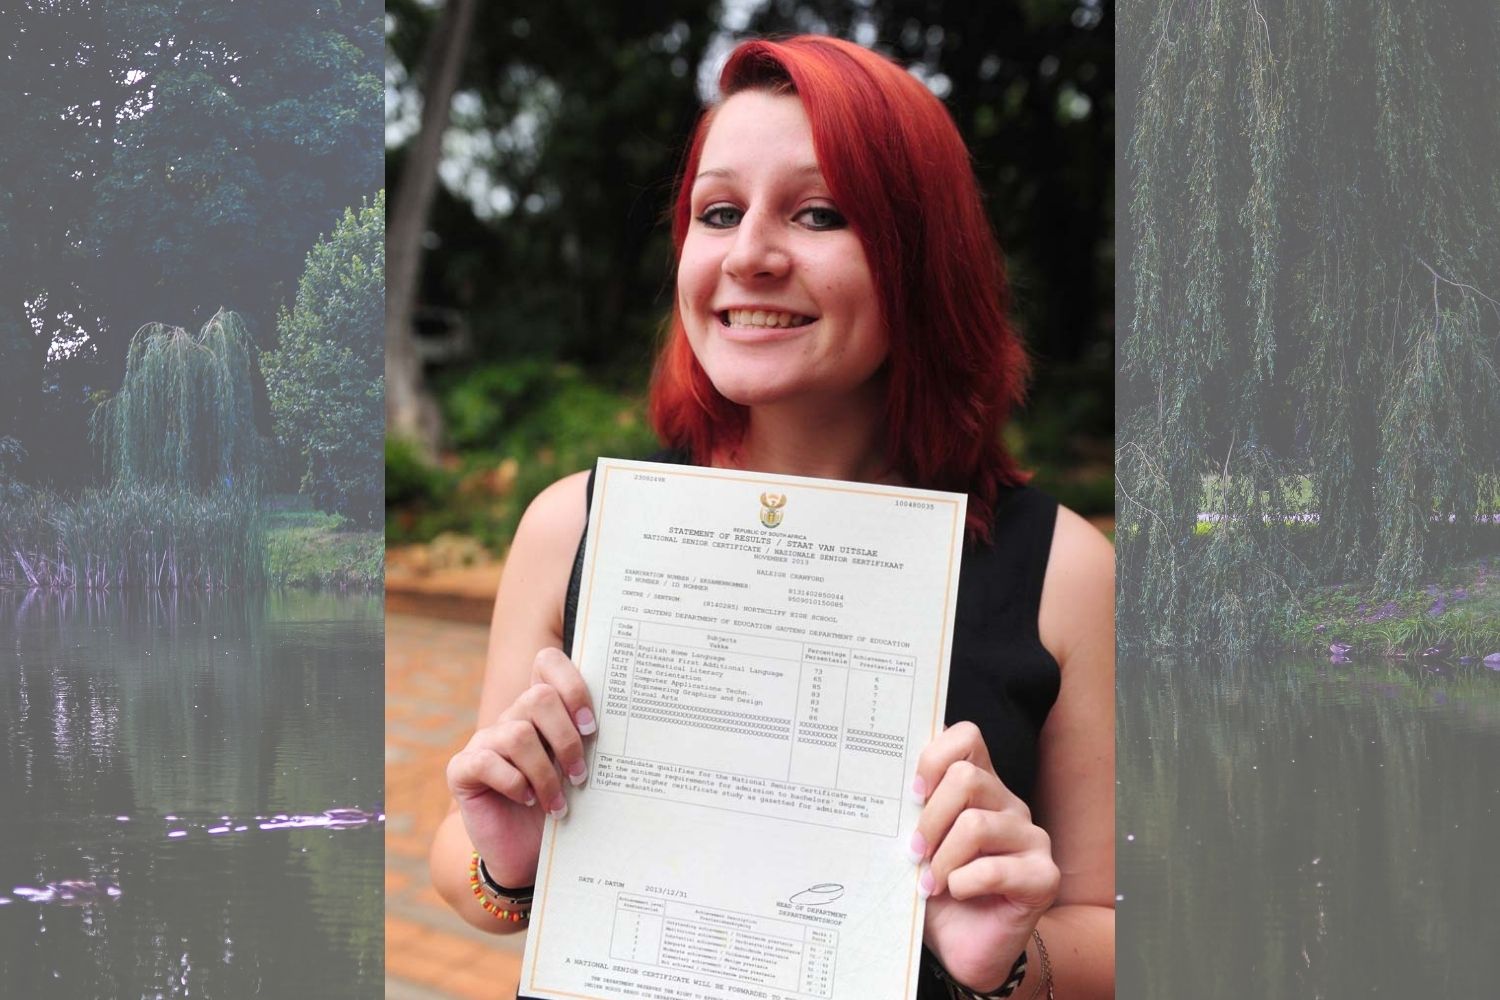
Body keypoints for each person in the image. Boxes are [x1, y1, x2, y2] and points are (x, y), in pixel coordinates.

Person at [431, 35, 1114, 999]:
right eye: (718, 213)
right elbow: (460, 858)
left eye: (819, 213)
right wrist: (506, 862)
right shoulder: (571, 526)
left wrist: (1007, 959)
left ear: (923, 257)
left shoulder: (1062, 571)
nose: (749, 254)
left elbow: (1109, 931)